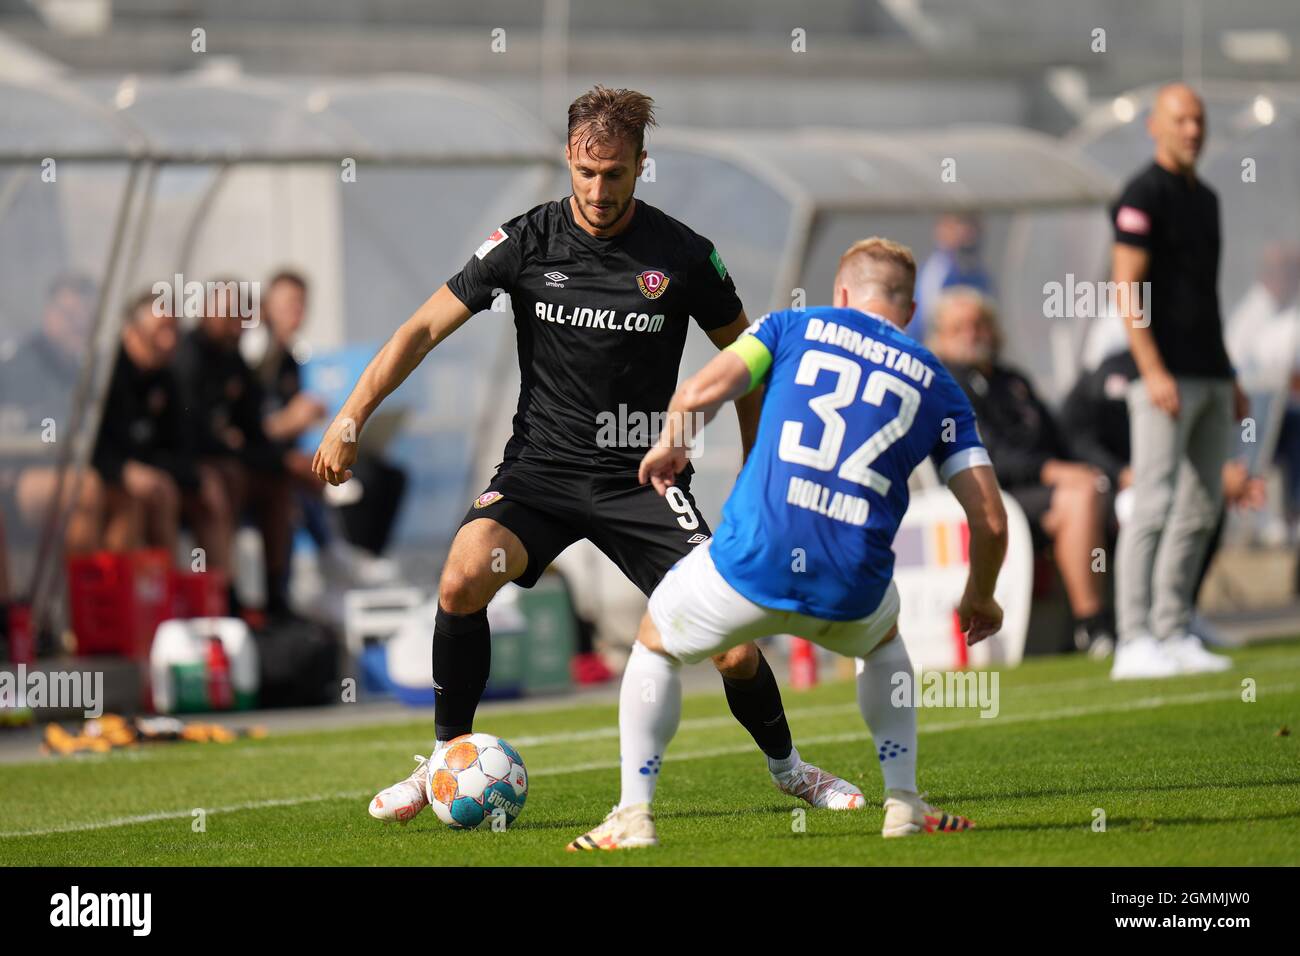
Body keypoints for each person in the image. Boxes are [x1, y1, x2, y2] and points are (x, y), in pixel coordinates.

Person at [314, 85, 861, 825]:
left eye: (614, 173)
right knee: (462, 578)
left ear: (641, 164)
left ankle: (792, 771)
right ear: (567, 160)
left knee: (729, 644)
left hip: (641, 478)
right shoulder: (525, 242)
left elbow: (748, 360)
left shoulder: (684, 254)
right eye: (583, 171)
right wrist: (351, 415)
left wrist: (758, 472)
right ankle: (447, 758)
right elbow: (420, 329)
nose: (597, 190)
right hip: (540, 474)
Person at [568, 238, 1004, 850]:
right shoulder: (937, 382)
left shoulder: (790, 325)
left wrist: (672, 441)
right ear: (908, 312)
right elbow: (989, 520)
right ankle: (903, 800)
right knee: (883, 646)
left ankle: (633, 815)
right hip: (850, 585)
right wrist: (979, 597)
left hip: (754, 563)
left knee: (655, 644)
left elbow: (698, 392)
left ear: (843, 294)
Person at [1110, 83, 1248, 679]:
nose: (1192, 130)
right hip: (1163, 377)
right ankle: (1133, 638)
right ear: (1154, 125)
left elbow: (1204, 295)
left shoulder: (1210, 198)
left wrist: (1229, 371)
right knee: (1154, 503)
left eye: (1199, 119)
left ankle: (1174, 625)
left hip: (1210, 371)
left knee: (1201, 506)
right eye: (1180, 119)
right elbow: (1127, 288)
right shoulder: (1141, 194)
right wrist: (1152, 367)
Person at [929, 286, 1115, 655]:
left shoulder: (1012, 381)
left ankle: (1148, 617)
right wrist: (1053, 472)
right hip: (987, 497)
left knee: (1105, 492)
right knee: (1077, 497)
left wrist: (1106, 471)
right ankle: (1092, 627)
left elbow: (1060, 438)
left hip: (1042, 492)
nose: (973, 333)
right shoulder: (944, 384)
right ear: (941, 337)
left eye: (980, 324)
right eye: (960, 327)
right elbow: (985, 455)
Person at [175, 281, 294, 618]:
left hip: (228, 463)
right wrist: (232, 448)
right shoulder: (189, 356)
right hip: (191, 467)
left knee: (277, 485)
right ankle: (225, 596)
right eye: (228, 315)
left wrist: (281, 462)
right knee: (223, 482)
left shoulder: (233, 358)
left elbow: (252, 427)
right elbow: (193, 432)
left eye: (240, 317)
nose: (235, 326)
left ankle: (276, 596)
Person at [93, 292, 198, 556]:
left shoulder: (166, 380)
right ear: (132, 331)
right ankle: (114, 589)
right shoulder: (103, 375)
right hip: (102, 475)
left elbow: (181, 446)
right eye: (160, 330)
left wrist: (155, 471)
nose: (169, 341)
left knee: (167, 491)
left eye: (174, 331)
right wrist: (123, 470)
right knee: (129, 501)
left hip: (148, 477)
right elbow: (87, 443)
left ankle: (164, 589)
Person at [910, 213, 994, 343]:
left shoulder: (979, 274)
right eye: (960, 225)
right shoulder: (937, 271)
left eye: (971, 226)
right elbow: (922, 321)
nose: (967, 233)